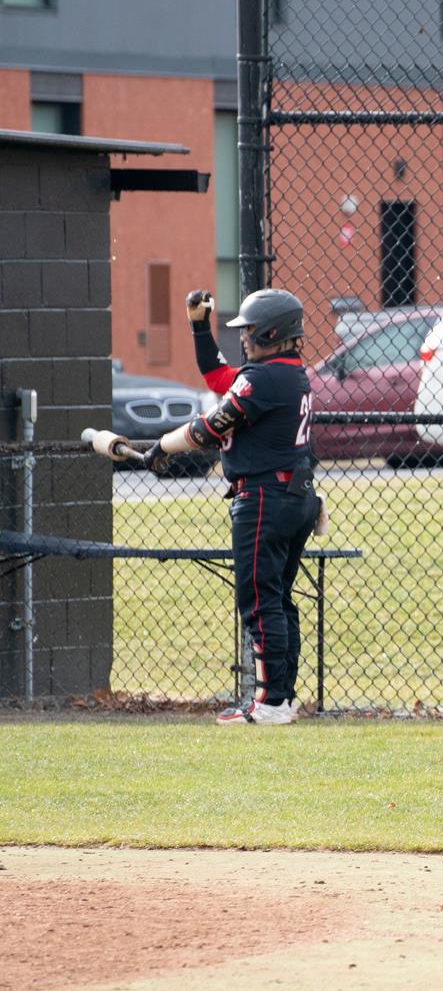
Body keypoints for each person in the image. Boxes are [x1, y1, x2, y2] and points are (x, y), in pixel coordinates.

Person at [132, 288, 319, 725]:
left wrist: (161, 447)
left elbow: (208, 428)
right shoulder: (286, 373)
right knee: (277, 599)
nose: (245, 338)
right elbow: (218, 376)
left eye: (251, 330)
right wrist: (200, 326)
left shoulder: (266, 378)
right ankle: (282, 698)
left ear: (274, 331)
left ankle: (270, 703)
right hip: (291, 496)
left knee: (258, 601)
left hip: (265, 500)